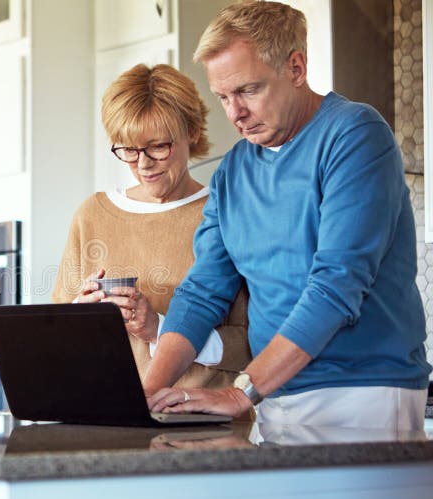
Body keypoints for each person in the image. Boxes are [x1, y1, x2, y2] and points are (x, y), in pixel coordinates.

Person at [145, 1, 432, 430]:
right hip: (274, 394)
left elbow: (337, 284)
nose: (234, 113)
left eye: (247, 90)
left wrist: (240, 391)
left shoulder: (354, 135)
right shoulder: (234, 171)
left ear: (296, 68)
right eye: (223, 96)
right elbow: (204, 291)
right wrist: (144, 393)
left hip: (362, 392)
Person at [53, 63, 251, 390]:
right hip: (107, 419)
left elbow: (252, 346)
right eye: (129, 149)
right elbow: (54, 340)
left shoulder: (226, 214)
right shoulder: (91, 215)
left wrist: (159, 329)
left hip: (203, 425)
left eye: (158, 146)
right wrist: (79, 318)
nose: (143, 164)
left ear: (192, 131)